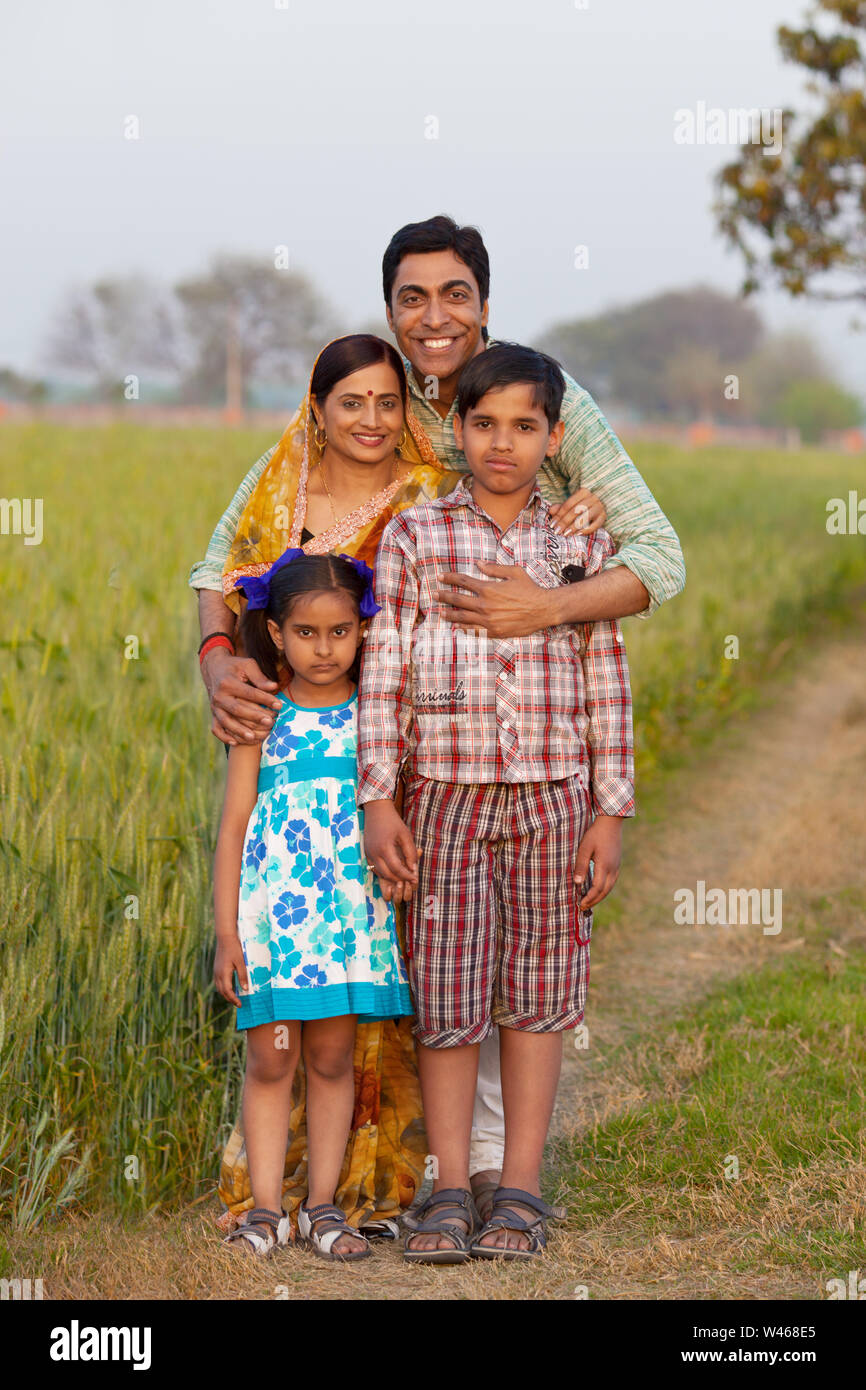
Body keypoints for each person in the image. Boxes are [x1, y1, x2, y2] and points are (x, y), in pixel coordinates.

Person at [191, 215, 683, 1221]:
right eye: (411, 296)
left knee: (515, 971)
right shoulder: (356, 404)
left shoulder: (538, 396)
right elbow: (221, 562)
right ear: (387, 311)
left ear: (485, 306)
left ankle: (507, 1179)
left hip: (517, 751)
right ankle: (423, 1179)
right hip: (370, 753)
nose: (433, 315)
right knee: (433, 972)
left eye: (453, 293)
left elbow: (655, 567)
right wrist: (217, 656)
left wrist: (545, 601)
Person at [358, 344, 635, 1262]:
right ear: (458, 433)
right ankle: (447, 1186)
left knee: (540, 992)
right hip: (442, 797)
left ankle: (519, 1188)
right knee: (445, 987)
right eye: (485, 425)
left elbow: (607, 680)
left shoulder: (582, 547)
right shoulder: (416, 539)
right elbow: (384, 675)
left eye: (525, 427)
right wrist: (380, 798)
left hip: (555, 799)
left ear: (555, 437)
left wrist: (609, 810)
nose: (504, 444)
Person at [214, 549, 414, 1260]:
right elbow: (233, 828)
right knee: (271, 1062)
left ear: (363, 632)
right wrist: (226, 933)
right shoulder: (261, 717)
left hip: (347, 923)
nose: (323, 649)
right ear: (276, 633)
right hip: (272, 924)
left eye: (339, 633)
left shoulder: (376, 714)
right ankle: (266, 1210)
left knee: (333, 1059)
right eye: (306, 633)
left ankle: (324, 1209)